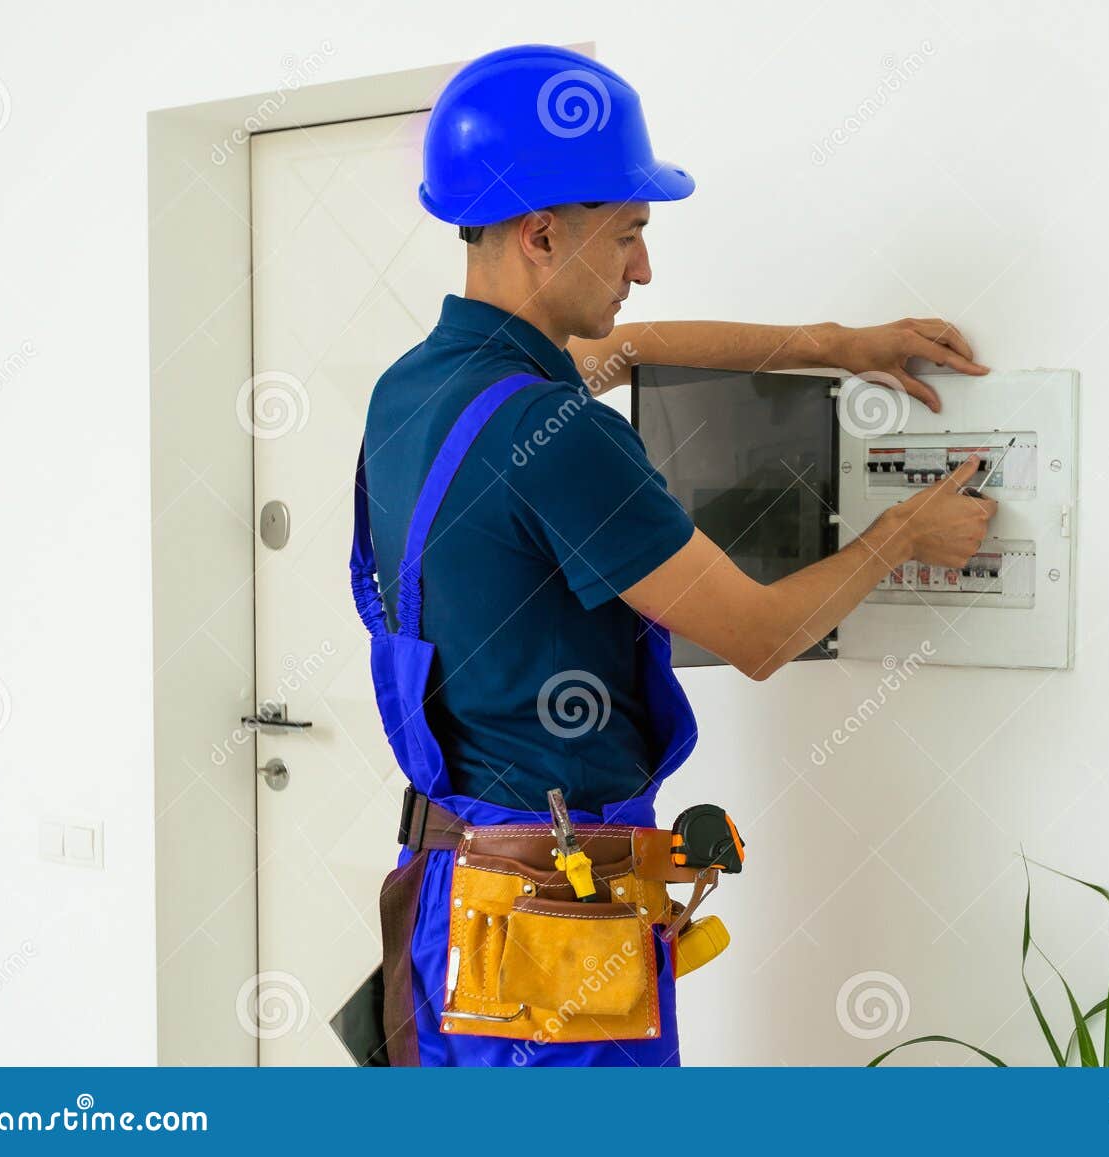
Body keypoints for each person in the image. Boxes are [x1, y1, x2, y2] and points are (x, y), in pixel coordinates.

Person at [352, 43, 994, 1067]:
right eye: (631, 236)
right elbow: (762, 633)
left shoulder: (417, 391)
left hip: (451, 901)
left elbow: (637, 346)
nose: (643, 267)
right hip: (554, 933)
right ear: (542, 234)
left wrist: (839, 343)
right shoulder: (563, 438)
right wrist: (904, 532)